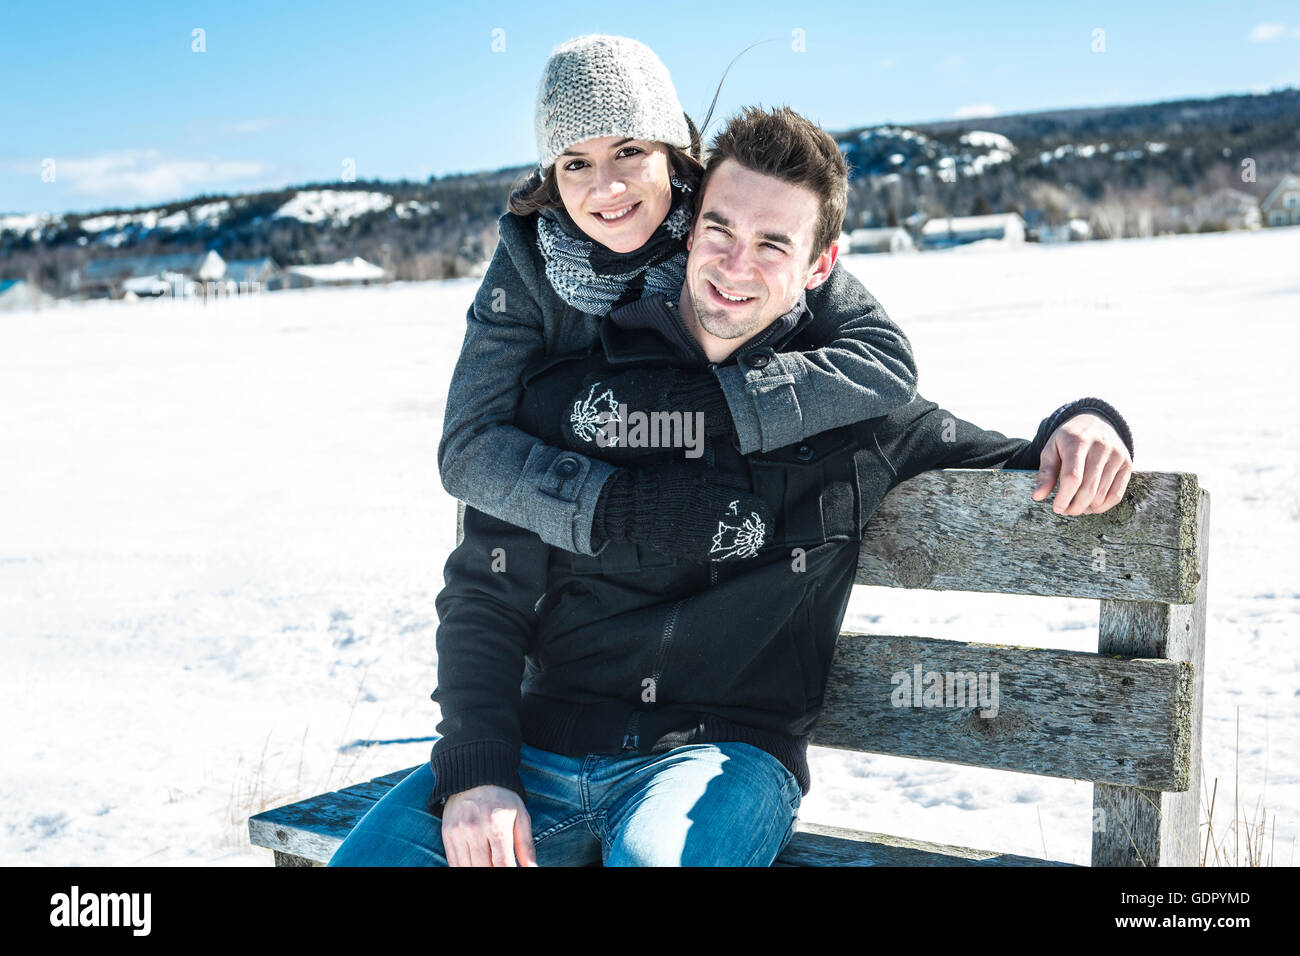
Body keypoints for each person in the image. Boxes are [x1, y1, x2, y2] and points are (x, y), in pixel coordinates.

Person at [328, 105, 1135, 867]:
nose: (735, 267)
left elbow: (1015, 459)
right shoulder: (570, 392)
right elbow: (484, 596)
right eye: (719, 229)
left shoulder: (863, 416)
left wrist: (1088, 418)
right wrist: (476, 770)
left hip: (719, 763)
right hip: (536, 752)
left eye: (774, 245)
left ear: (821, 265)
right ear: (688, 234)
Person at [438, 34, 919, 562]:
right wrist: (616, 506)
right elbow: (469, 447)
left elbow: (883, 361)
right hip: (596, 557)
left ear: (670, 152)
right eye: (576, 163)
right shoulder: (530, 262)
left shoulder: (732, 225)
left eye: (628, 151)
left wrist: (714, 406)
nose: (607, 189)